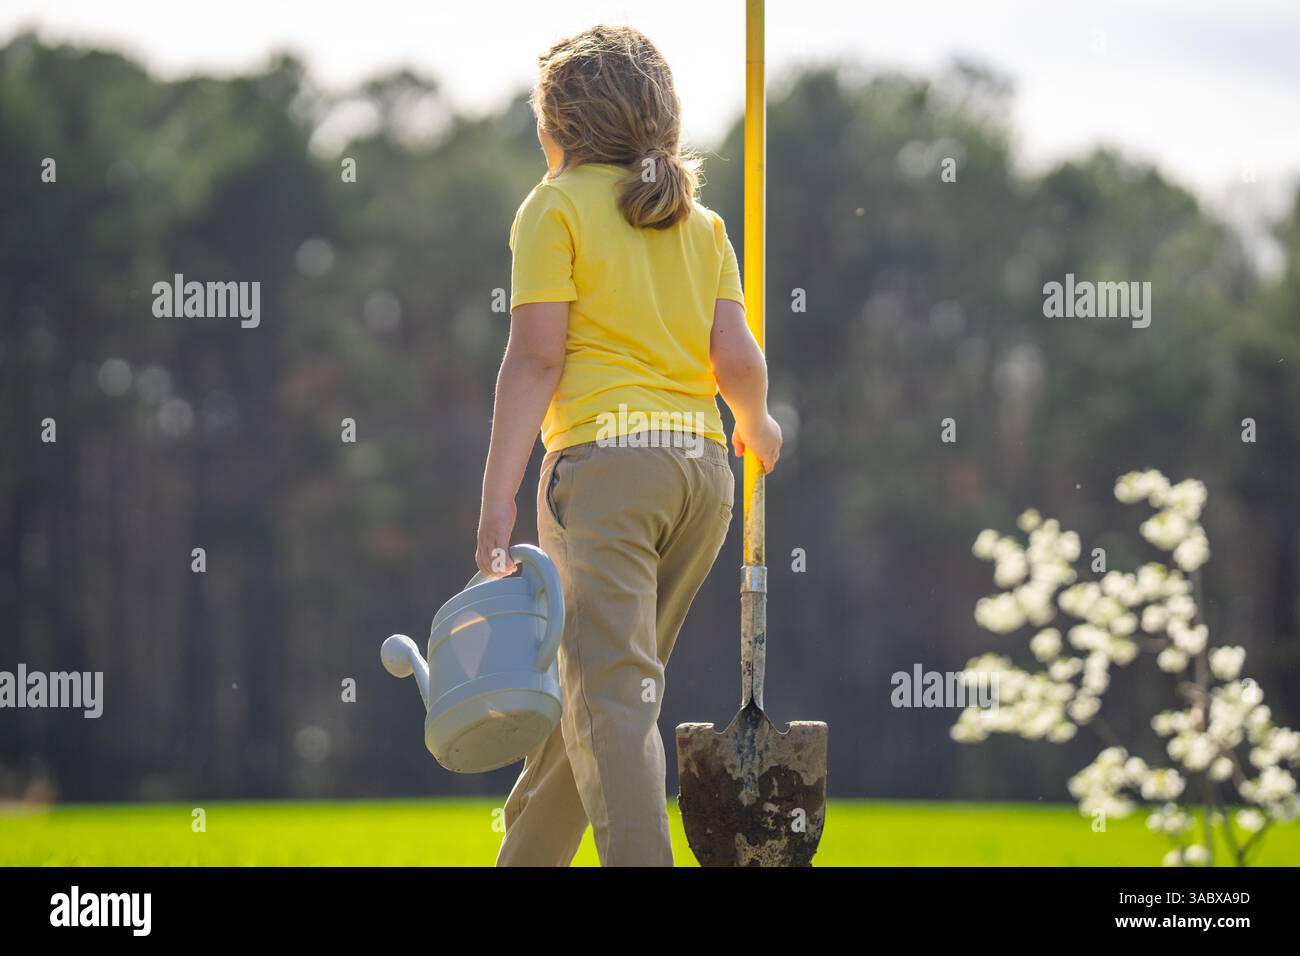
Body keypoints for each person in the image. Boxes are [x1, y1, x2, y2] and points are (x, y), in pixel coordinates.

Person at [474, 24, 781, 867]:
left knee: (610, 703)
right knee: (608, 694)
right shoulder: (703, 223)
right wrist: (758, 424)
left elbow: (536, 358)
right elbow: (738, 360)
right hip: (702, 478)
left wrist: (499, 494)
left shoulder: (554, 207)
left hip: (607, 472)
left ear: (558, 129)